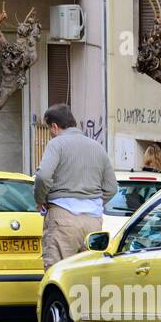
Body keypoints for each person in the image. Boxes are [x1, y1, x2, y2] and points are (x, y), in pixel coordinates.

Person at [34, 103, 118, 269]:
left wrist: (41, 200)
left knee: (58, 275)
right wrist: (94, 201)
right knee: (88, 277)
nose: (51, 135)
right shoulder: (97, 147)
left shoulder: (56, 144)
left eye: (50, 131)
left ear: (55, 127)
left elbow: (43, 176)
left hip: (62, 218)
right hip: (93, 222)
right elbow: (112, 187)